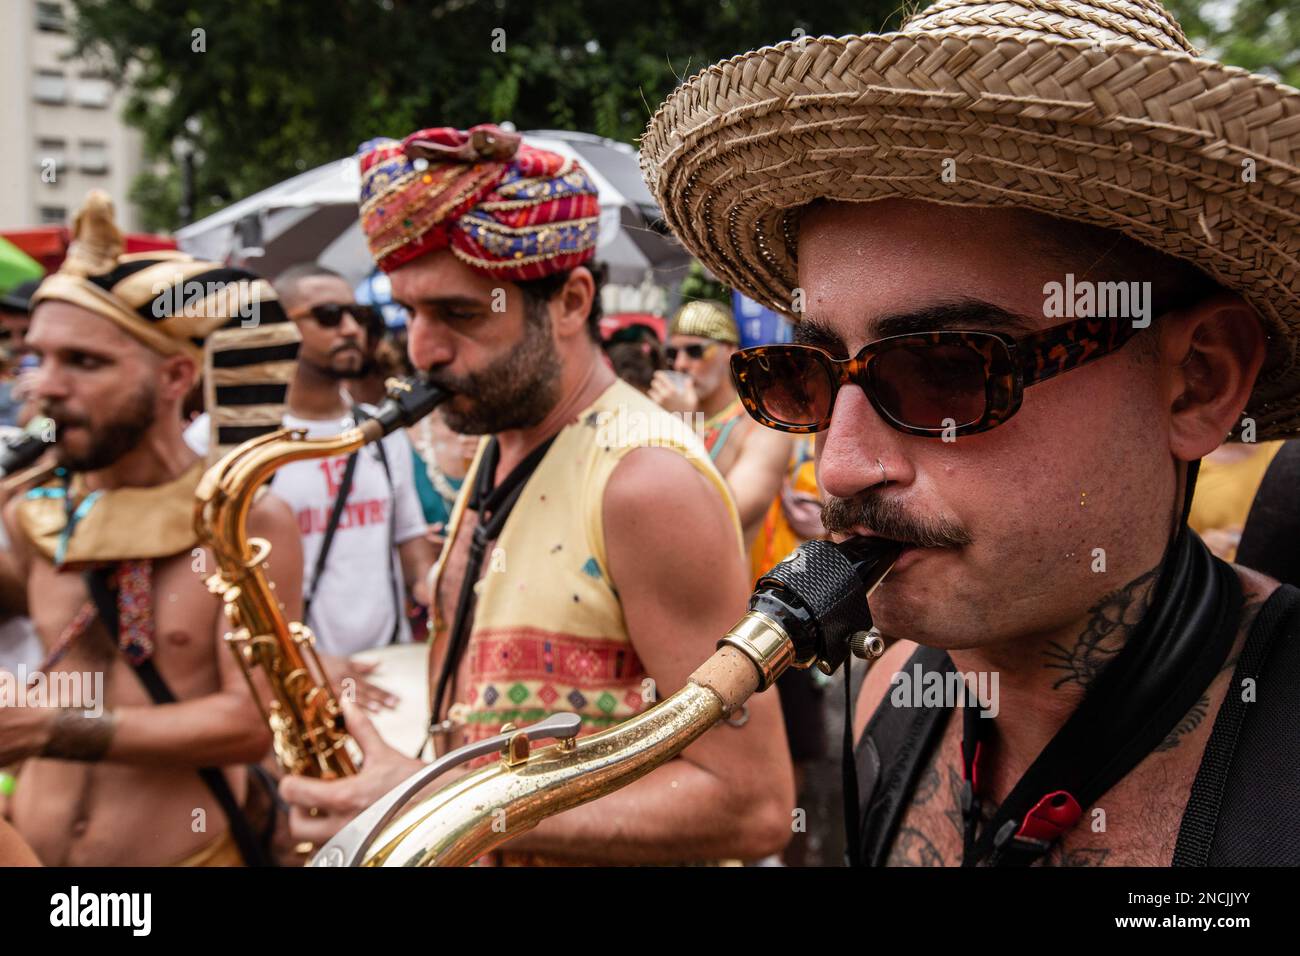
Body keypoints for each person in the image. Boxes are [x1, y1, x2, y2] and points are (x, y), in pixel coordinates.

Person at [641, 0, 1300, 865]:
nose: (837, 468)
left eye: (947, 368)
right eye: (802, 374)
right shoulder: (888, 687)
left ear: (1199, 382)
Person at [280, 123, 794, 865]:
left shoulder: (645, 484)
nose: (422, 349)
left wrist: (431, 798)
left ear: (570, 301)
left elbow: (751, 805)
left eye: (458, 313)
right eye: (409, 312)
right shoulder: (503, 437)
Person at [0, 191, 303, 866]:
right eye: (36, 357)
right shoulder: (30, 514)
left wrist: (47, 727)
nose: (44, 387)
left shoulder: (247, 521)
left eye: (84, 362)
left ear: (174, 377)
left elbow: (249, 725)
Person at [185, 264, 435, 673]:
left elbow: (410, 543)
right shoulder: (218, 440)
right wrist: (305, 658)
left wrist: (434, 584)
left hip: (388, 669)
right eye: (328, 315)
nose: (351, 329)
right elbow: (206, 577)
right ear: (281, 328)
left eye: (360, 316)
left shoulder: (383, 430)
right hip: (288, 677)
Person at [649, 300, 794, 551]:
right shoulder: (670, 415)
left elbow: (723, 518)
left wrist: (679, 427)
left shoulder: (763, 426)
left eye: (695, 351)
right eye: (672, 354)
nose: (681, 364)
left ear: (729, 350)